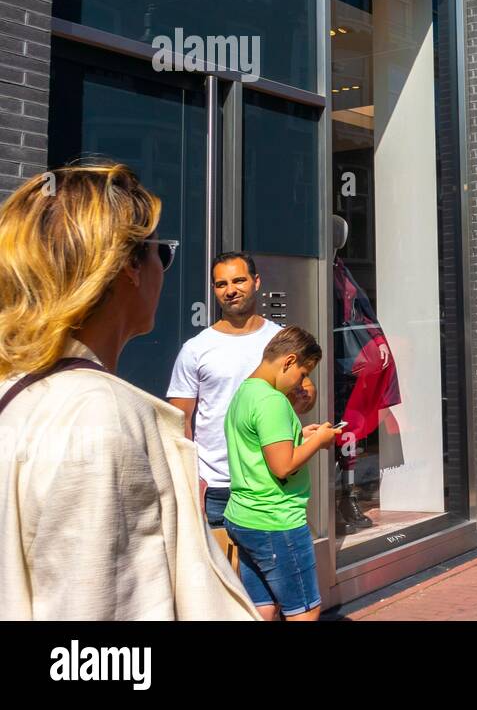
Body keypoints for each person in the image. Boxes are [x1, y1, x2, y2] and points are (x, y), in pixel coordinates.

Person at [0, 164, 258, 619]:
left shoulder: (21, 396)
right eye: (163, 253)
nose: (165, 268)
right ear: (128, 267)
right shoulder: (98, 418)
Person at [168, 252, 311, 528]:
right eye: (221, 284)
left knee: (268, 569)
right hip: (216, 486)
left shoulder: (280, 340)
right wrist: (189, 479)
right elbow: (178, 420)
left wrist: (302, 398)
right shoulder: (196, 348)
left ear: (256, 282)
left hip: (270, 480)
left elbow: (307, 393)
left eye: (239, 281)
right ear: (214, 290)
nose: (230, 290)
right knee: (219, 570)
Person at [222, 326, 340, 621]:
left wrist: (300, 434)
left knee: (262, 607)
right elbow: (283, 466)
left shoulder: (245, 392)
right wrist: (318, 441)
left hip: (245, 517)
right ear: (288, 361)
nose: (301, 383)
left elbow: (258, 448)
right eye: (302, 373)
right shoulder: (271, 400)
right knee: (305, 610)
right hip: (276, 521)